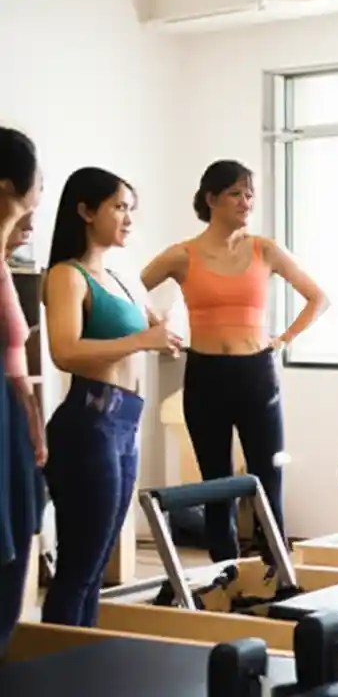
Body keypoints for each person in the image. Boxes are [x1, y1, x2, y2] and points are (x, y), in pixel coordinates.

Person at [141, 160, 328, 563]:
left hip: (255, 373)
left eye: (249, 193)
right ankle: (222, 575)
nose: (246, 201)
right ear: (211, 199)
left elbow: (318, 297)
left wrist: (283, 339)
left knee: (267, 477)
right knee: (216, 482)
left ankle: (275, 571)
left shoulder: (264, 249)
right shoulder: (183, 255)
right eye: (235, 193)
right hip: (205, 375)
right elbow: (124, 290)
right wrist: (154, 326)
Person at [40, 168, 183, 627]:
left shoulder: (121, 279)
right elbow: (65, 351)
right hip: (89, 425)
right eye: (119, 207)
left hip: (125, 425)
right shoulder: (67, 275)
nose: (128, 219)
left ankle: (80, 664)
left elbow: (154, 328)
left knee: (97, 567)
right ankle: (53, 668)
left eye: (130, 210)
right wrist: (143, 340)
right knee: (79, 570)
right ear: (85, 211)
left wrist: (163, 331)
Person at [0, 126, 43, 655]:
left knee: (13, 560)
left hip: (12, 420)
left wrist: (31, 414)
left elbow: (16, 361)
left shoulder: (7, 258)